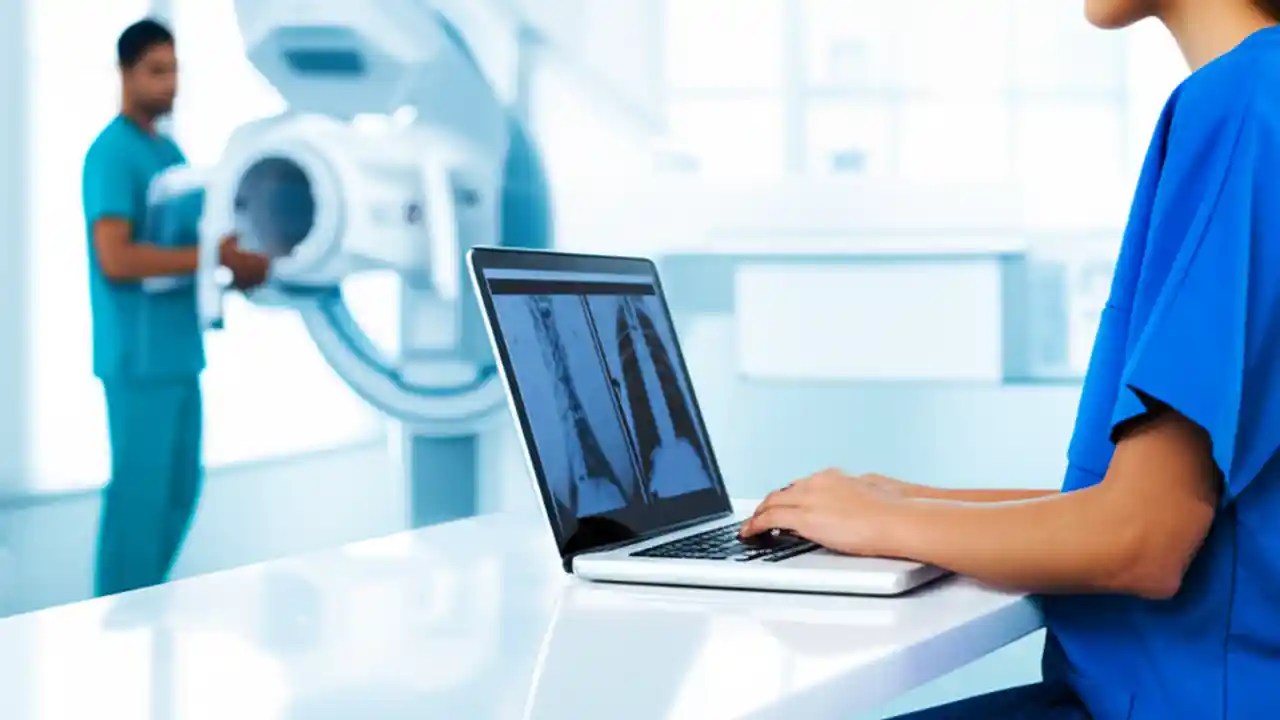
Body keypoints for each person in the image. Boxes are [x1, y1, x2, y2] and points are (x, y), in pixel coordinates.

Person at [741, 1, 1280, 718]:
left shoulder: (1243, 104)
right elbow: (1199, 510)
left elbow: (1142, 541)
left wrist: (882, 525)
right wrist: (907, 501)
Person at [83, 18, 269, 597]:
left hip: (179, 353)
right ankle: (117, 624)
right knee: (139, 499)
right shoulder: (112, 155)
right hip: (137, 357)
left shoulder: (171, 153)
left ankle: (145, 609)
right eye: (156, 72)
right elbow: (115, 257)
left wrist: (232, 266)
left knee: (180, 488)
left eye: (174, 71)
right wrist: (210, 253)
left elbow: (193, 248)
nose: (169, 85)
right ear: (125, 73)